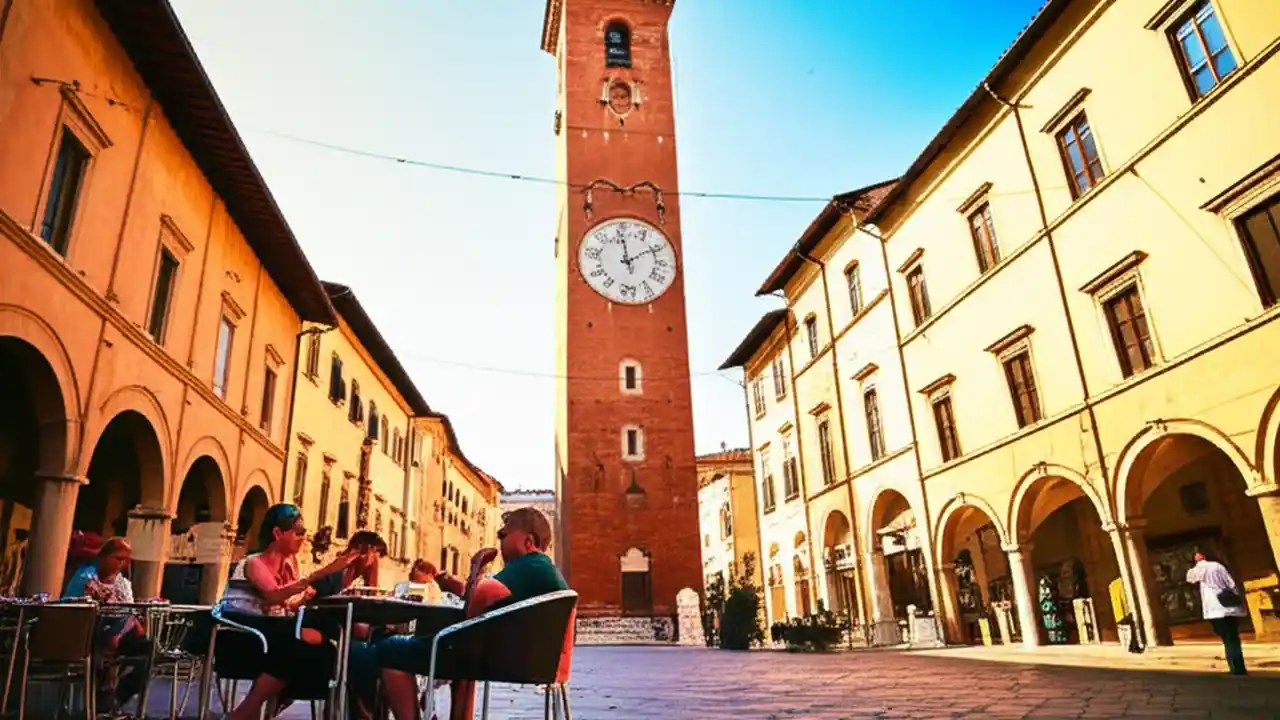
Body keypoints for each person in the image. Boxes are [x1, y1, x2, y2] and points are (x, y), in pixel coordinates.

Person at [373, 507, 568, 720]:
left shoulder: (525, 565)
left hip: (500, 662)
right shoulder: (548, 570)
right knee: (462, 651)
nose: (499, 542)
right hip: (542, 665)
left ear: (528, 542)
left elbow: (480, 600)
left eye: (503, 535)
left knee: (390, 649)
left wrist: (476, 569)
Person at [218, 504, 361, 720]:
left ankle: (259, 711)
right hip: (242, 634)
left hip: (273, 635)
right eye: (299, 533)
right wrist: (321, 573)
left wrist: (303, 597)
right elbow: (274, 595)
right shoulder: (254, 563)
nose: (303, 538)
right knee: (306, 644)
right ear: (277, 533)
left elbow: (286, 605)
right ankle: (246, 713)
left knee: (324, 654)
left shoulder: (290, 565)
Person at [62, 537, 150, 709]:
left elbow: (129, 611)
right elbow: (74, 608)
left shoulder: (122, 583)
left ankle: (118, 695)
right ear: (104, 556)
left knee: (149, 649)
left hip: (117, 632)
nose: (122, 564)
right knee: (100, 648)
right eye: (118, 558)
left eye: (125, 560)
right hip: (86, 633)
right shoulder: (87, 576)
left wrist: (120, 632)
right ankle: (101, 698)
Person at [1186, 550, 1248, 675]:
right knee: (1233, 637)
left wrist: (1198, 564)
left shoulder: (1202, 567)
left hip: (1216, 608)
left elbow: (1190, 578)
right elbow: (1231, 584)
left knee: (1226, 637)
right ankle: (1239, 666)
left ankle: (1234, 666)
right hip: (1230, 607)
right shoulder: (1219, 566)